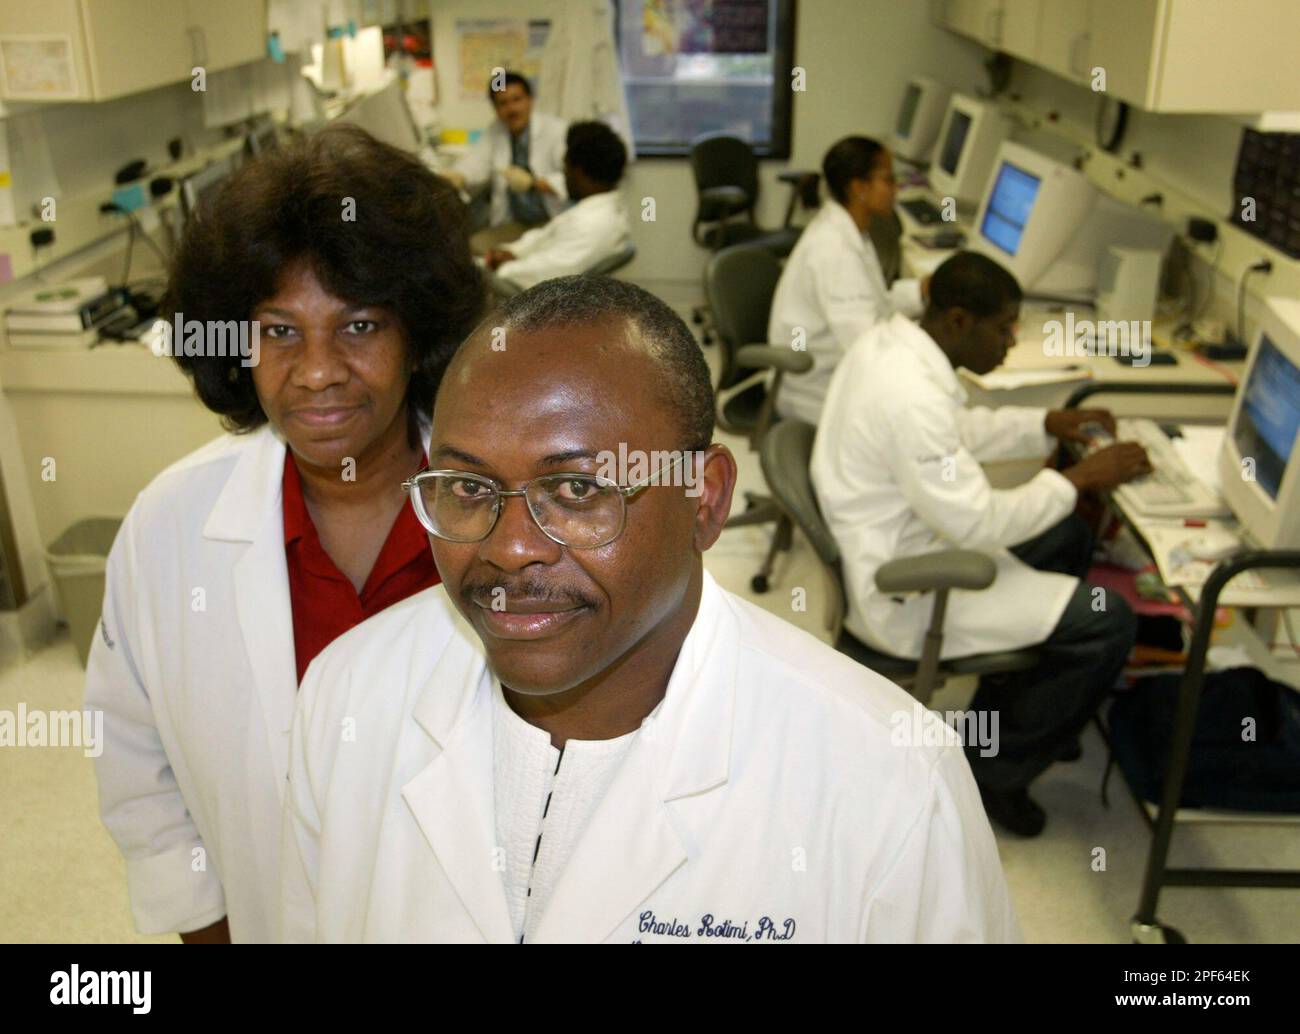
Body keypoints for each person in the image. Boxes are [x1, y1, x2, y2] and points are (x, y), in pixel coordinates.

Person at [279, 275, 1020, 944]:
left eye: (575, 491)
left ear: (705, 499)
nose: (508, 551)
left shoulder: (888, 783)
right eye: (469, 489)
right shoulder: (348, 696)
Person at [84, 125, 482, 943]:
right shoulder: (173, 526)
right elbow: (133, 753)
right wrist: (208, 926)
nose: (318, 370)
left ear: (419, 332)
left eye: (360, 326)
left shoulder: (502, 515)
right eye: (279, 331)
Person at [811, 251, 1150, 838]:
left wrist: (1046, 423)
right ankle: (997, 771)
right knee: (1109, 622)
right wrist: (1078, 480)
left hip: (902, 541)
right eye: (1005, 328)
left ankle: (1021, 708)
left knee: (1066, 533)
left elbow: (954, 434)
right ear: (960, 320)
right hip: (912, 585)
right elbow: (978, 523)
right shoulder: (910, 395)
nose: (1012, 342)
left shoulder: (894, 346)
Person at [768, 136, 928, 425]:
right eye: (889, 180)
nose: (897, 189)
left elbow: (872, 304)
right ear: (859, 188)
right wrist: (929, 343)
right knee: (913, 418)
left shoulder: (849, 230)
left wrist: (922, 291)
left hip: (832, 369)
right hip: (815, 388)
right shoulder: (835, 250)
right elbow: (867, 346)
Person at [483, 121, 630, 296]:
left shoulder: (592, 223)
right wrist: (513, 251)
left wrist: (502, 266)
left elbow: (546, 276)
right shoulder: (595, 209)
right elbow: (544, 237)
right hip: (522, 272)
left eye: (565, 166)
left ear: (578, 171)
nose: (564, 174)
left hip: (520, 292)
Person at [444, 71, 569, 254]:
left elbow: (574, 180)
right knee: (474, 248)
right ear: (495, 109)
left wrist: (534, 184)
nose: (511, 109)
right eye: (503, 103)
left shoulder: (557, 130)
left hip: (552, 220)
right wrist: (457, 176)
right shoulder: (496, 131)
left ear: (530, 100)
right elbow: (476, 161)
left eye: (517, 99)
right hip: (516, 224)